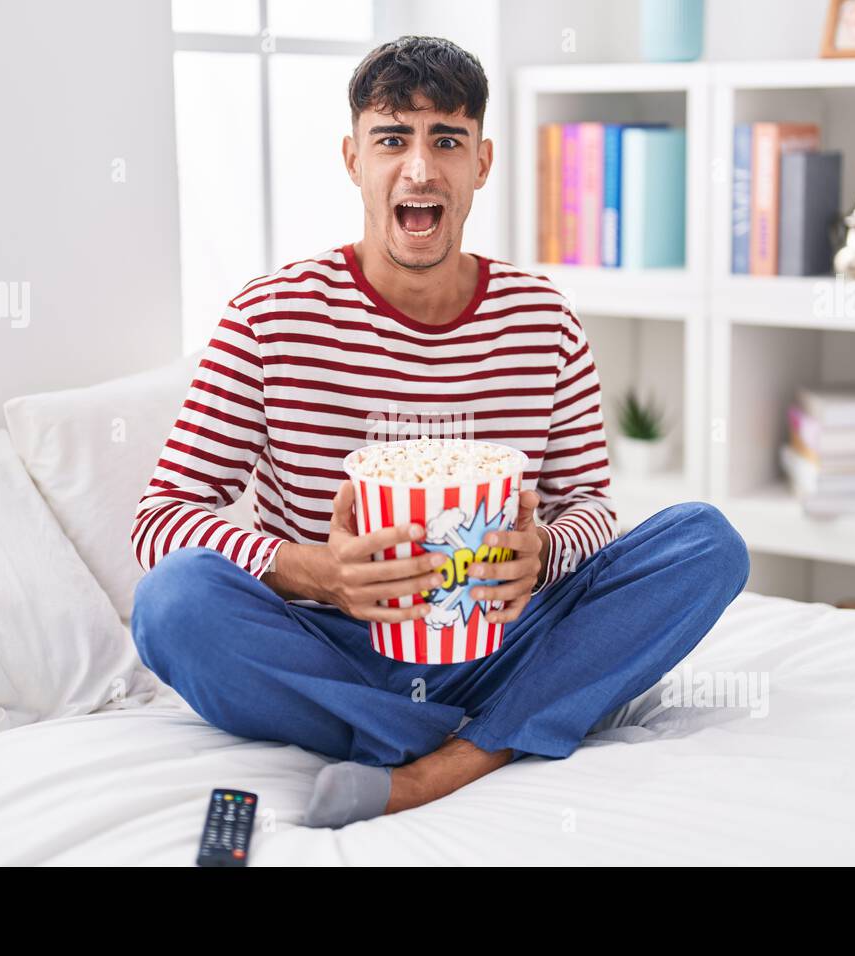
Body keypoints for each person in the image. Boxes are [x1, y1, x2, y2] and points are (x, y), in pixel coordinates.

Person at [130, 35, 749, 829]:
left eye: (446, 140)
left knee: (705, 542)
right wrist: (316, 572)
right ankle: (507, 729)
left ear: (481, 163)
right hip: (334, 650)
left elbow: (590, 500)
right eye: (393, 139)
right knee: (172, 604)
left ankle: (441, 765)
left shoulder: (543, 319)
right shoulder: (269, 316)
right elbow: (161, 521)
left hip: (506, 638)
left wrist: (546, 554)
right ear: (353, 159)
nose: (419, 169)